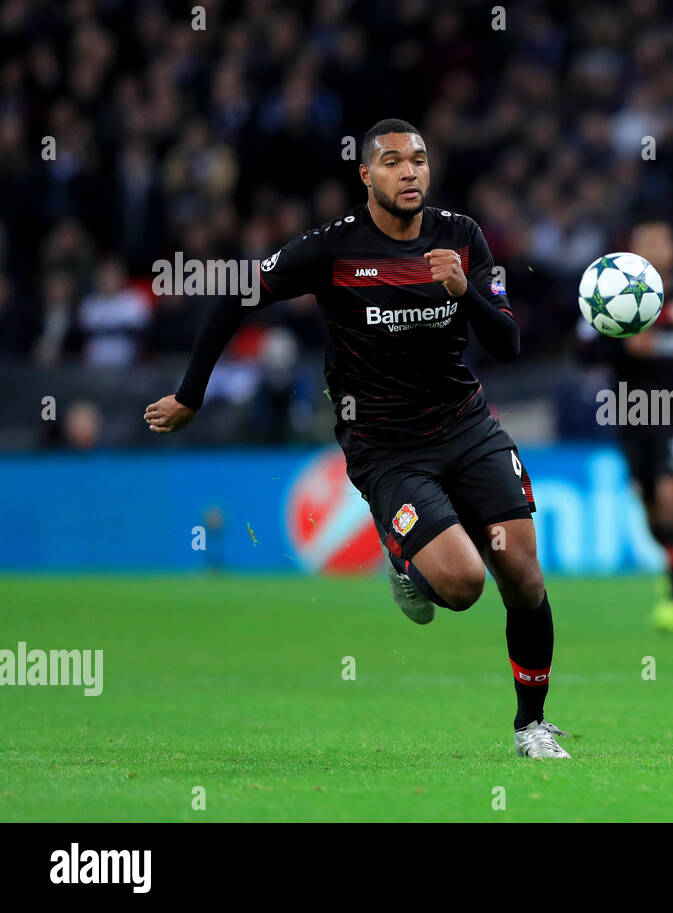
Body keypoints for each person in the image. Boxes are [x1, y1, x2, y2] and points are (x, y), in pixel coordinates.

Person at [144, 119, 571, 759]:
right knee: (461, 586)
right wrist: (190, 395)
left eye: (419, 160)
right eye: (393, 162)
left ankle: (531, 726)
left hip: (468, 427)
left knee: (521, 571)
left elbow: (507, 344)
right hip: (387, 448)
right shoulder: (334, 250)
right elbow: (236, 295)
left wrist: (465, 292)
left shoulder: (462, 238)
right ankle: (404, 556)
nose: (410, 172)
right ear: (366, 175)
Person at [577, 221, 673, 633]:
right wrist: (620, 344)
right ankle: (671, 556)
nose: (656, 249)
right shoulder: (607, 292)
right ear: (632, 252)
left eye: (662, 241)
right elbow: (581, 352)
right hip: (633, 412)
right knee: (652, 508)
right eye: (646, 243)